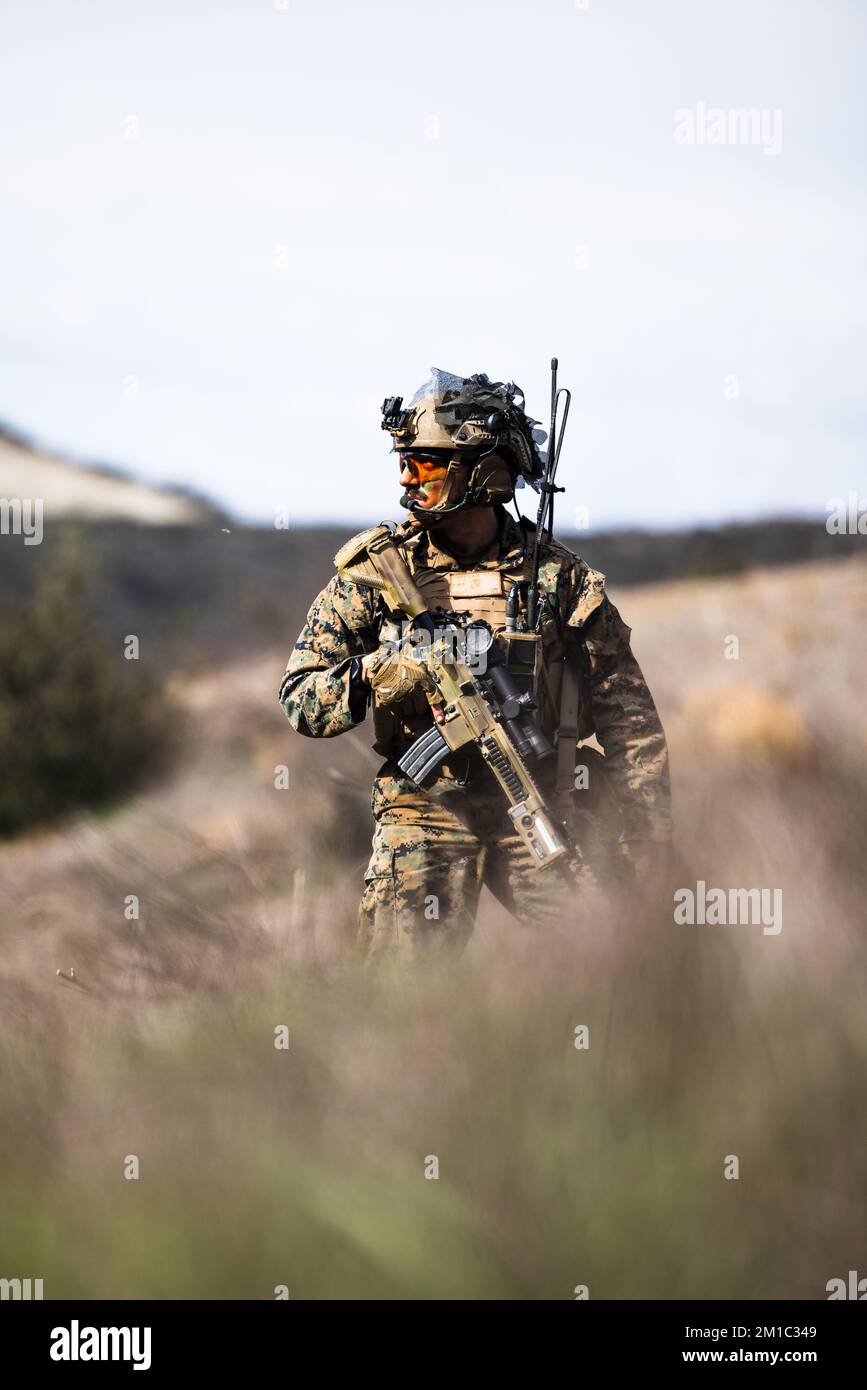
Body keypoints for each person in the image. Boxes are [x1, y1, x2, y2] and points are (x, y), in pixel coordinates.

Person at [280, 369, 672, 956]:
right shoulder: (379, 573)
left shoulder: (559, 579)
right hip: (425, 809)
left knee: (613, 961)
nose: (407, 478)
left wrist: (650, 843)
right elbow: (301, 701)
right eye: (404, 462)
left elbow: (632, 727)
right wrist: (381, 674)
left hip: (541, 801)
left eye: (426, 464)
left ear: (481, 472)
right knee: (398, 994)